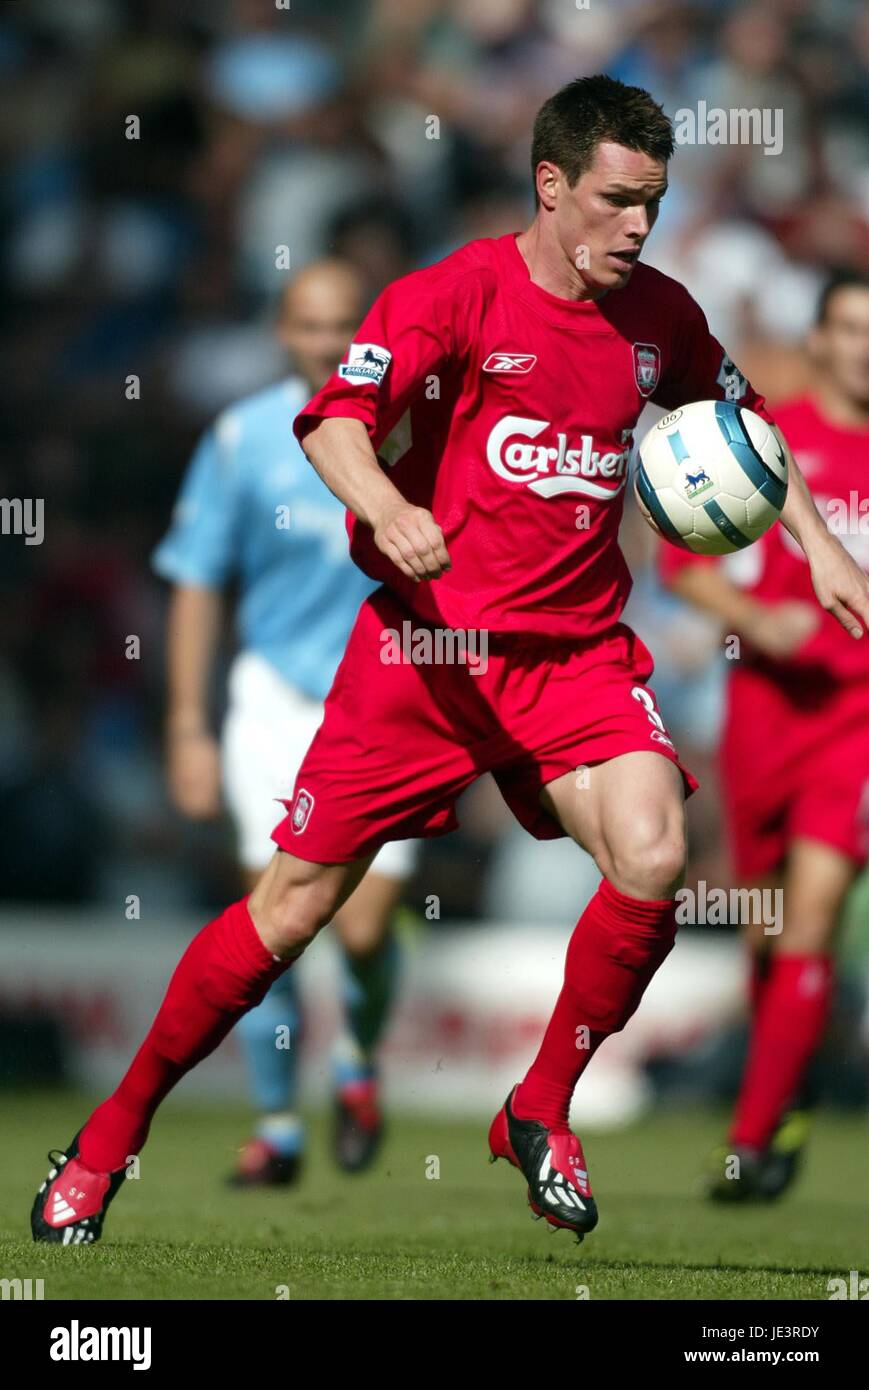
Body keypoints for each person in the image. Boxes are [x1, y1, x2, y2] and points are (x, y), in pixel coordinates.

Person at [32, 76, 869, 1247]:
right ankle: (109, 1137)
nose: (638, 225)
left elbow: (747, 425)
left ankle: (537, 1106)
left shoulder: (660, 317)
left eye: (655, 203)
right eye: (618, 201)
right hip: (423, 656)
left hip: (573, 657)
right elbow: (333, 421)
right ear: (550, 184)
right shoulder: (451, 295)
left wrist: (821, 550)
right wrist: (389, 504)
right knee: (288, 916)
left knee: (654, 852)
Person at [154, 259, 416, 1182]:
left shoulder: (412, 422)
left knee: (364, 929)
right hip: (272, 697)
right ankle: (278, 1128)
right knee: (270, 926)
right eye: (310, 326)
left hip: (391, 696)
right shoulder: (240, 438)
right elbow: (195, 582)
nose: (327, 343)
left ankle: (355, 1062)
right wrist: (188, 724)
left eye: (344, 325)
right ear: (281, 331)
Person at [659, 270, 869, 1201]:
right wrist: (753, 612)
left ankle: (751, 1139)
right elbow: (681, 565)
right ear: (817, 340)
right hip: (763, 709)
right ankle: (783, 1089)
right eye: (849, 328)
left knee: (814, 915)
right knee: (766, 928)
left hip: (856, 719)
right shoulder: (759, 440)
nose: (863, 347)